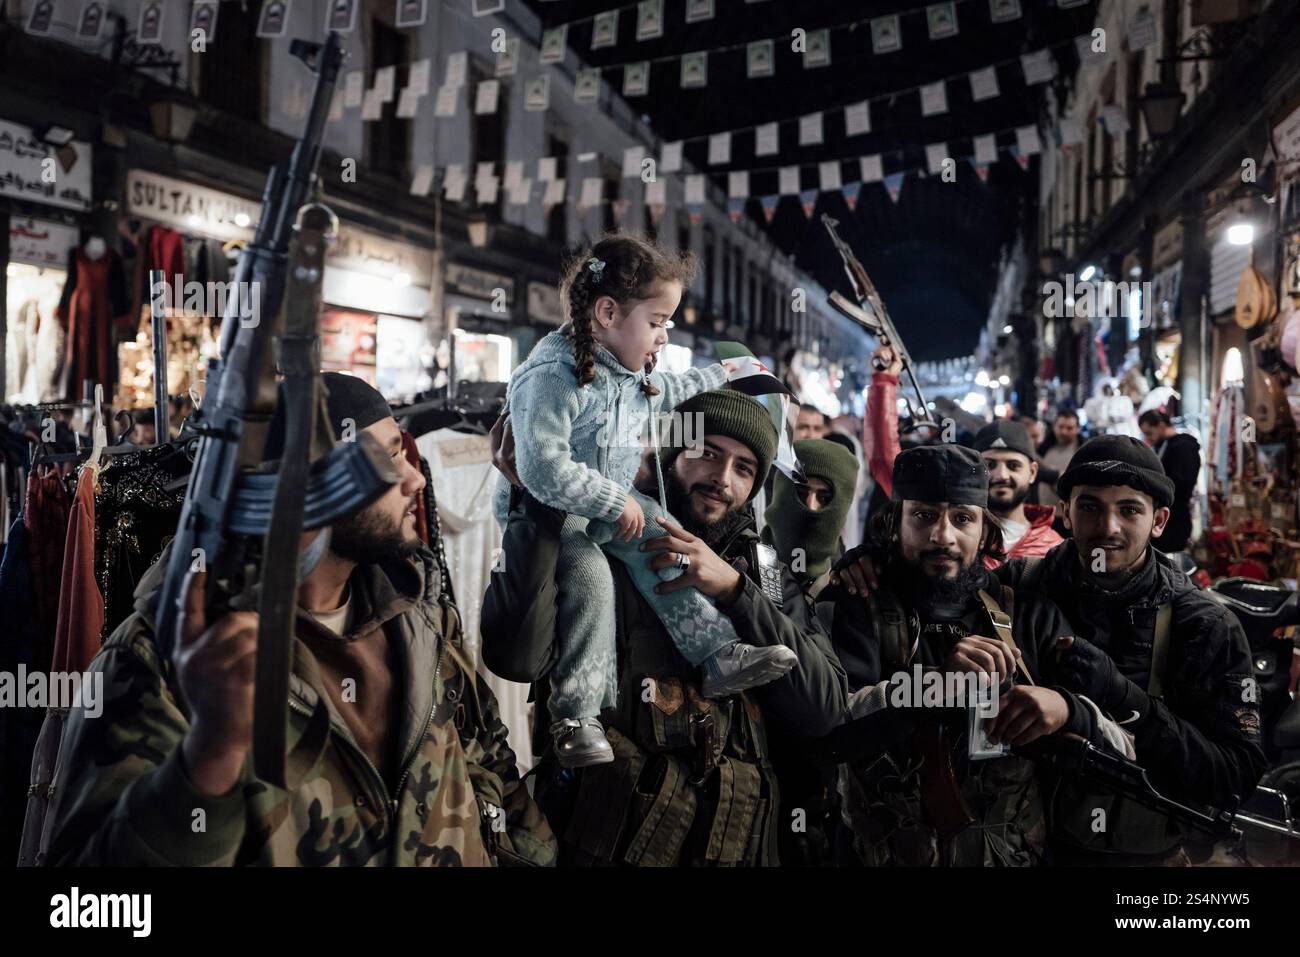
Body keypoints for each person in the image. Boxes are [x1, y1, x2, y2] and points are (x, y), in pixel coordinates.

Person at [45, 373, 556, 867]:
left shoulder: (418, 613)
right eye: (385, 461)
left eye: (402, 453)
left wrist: (511, 846)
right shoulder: (165, 659)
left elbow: (487, 753)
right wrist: (204, 764)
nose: (415, 479)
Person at [482, 389, 848, 866]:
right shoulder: (601, 541)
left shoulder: (763, 572)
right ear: (671, 454)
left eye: (744, 468)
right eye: (707, 453)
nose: (722, 479)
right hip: (604, 845)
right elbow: (515, 657)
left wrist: (736, 592)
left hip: (737, 848)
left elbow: (823, 709)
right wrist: (537, 503)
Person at [493, 234, 792, 769]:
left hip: (609, 502)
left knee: (670, 544)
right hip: (555, 514)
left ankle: (717, 654)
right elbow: (540, 468)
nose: (664, 335)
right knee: (591, 576)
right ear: (607, 312)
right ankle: (576, 717)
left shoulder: (630, 374)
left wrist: (728, 375)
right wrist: (612, 499)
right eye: (657, 322)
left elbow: (673, 389)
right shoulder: (552, 377)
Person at [815, 445, 1116, 867]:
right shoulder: (855, 603)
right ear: (895, 522)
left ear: (985, 528)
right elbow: (826, 734)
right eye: (923, 516)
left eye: (962, 518)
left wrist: (1064, 708)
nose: (943, 535)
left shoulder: (1025, 610)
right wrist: (934, 686)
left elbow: (1103, 731)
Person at [996, 435, 1266, 864]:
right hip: (1021, 850)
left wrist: (1122, 697)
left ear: (1158, 521)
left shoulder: (1202, 624)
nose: (1108, 528)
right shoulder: (1017, 587)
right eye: (1090, 507)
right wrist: (871, 561)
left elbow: (1234, 775)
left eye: (1129, 509)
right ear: (1065, 512)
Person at [762, 438, 861, 591]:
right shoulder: (746, 567)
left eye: (824, 498)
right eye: (801, 492)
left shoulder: (849, 580)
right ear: (781, 492)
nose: (811, 506)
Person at [971, 420, 1062, 567]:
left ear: (1032, 472)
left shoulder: (1053, 549)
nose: (1001, 475)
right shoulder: (956, 537)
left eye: (1013, 466)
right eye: (989, 465)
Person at [1138, 408, 1200, 553]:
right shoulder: (1162, 446)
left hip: (1175, 521)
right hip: (1164, 520)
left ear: (1160, 426)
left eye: (1149, 432)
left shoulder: (1184, 447)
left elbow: (1182, 484)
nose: (1148, 438)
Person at [1035, 409, 1081, 510]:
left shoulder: (1082, 452)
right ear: (1054, 427)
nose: (1064, 431)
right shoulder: (1044, 448)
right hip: (1043, 510)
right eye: (1060, 427)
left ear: (1078, 429)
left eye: (1069, 428)